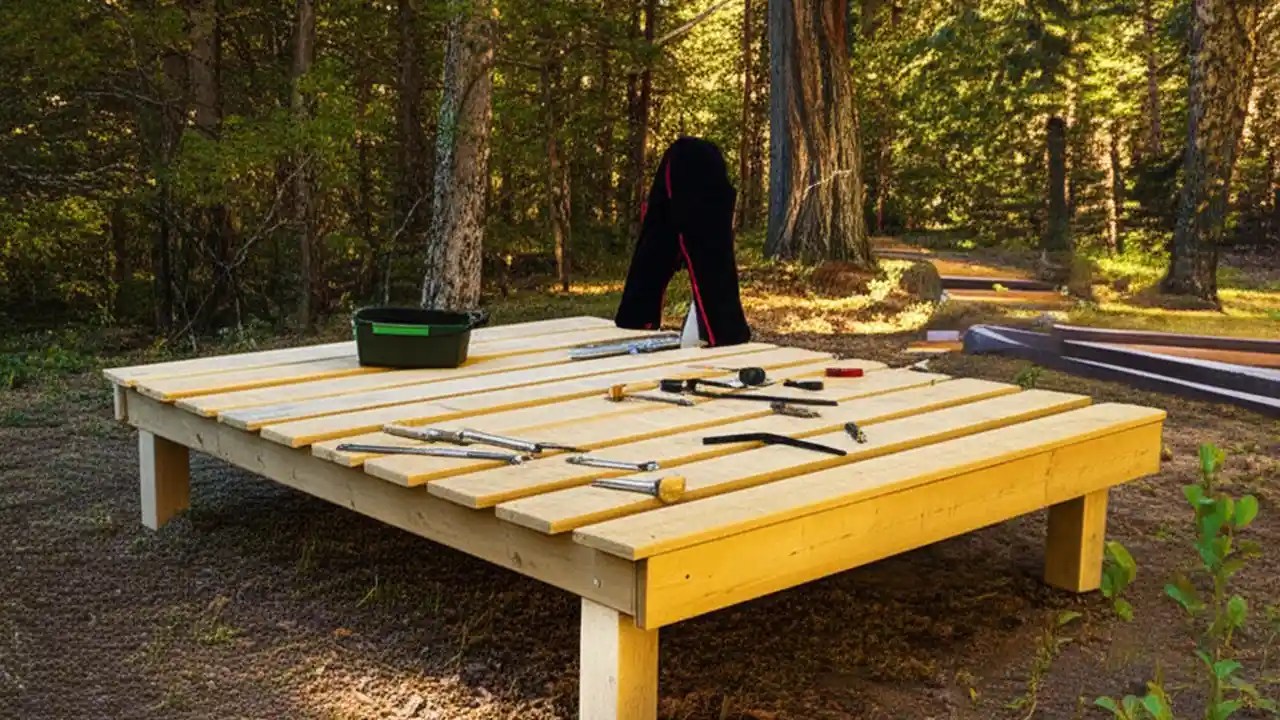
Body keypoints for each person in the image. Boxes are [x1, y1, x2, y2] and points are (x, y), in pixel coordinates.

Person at [614, 136, 752, 346]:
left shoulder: (691, 163)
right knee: (699, 254)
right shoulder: (692, 163)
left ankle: (636, 319)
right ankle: (725, 331)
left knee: (668, 250)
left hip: (692, 168)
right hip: (692, 168)